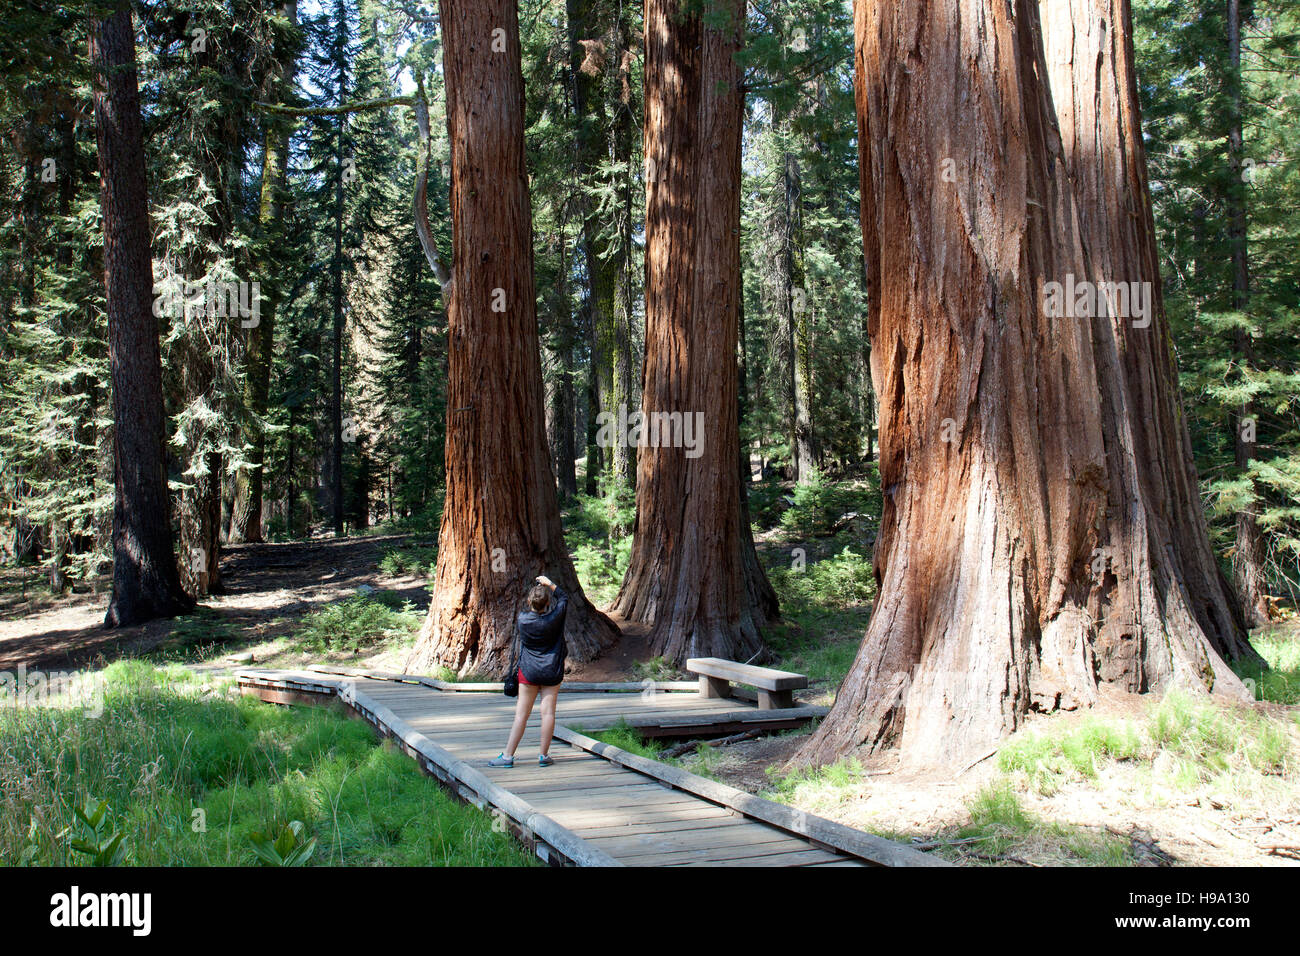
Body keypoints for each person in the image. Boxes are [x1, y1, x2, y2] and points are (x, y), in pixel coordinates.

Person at [489, 574, 567, 768]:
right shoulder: (555, 618)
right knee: (548, 713)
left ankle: (507, 756)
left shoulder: (523, 619)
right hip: (552, 670)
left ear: (529, 602)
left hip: (529, 671)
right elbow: (564, 598)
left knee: (521, 715)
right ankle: (543, 755)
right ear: (548, 602)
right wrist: (549, 583)